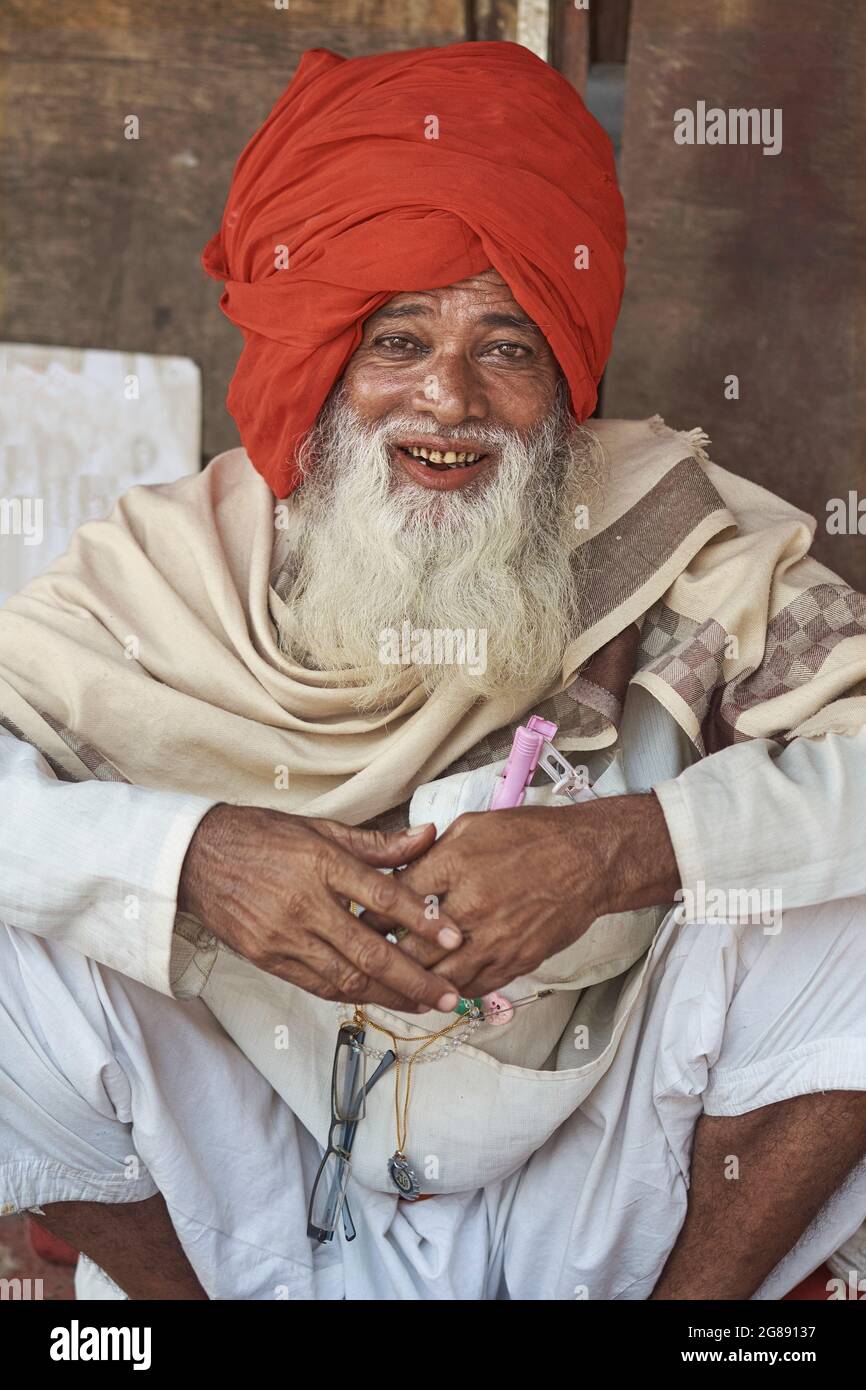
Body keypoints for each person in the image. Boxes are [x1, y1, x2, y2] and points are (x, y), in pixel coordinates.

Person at [1, 41, 865, 1301]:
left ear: (561, 379)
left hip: (601, 1176)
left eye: (505, 348)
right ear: (316, 364)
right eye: (396, 339)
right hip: (251, 1177)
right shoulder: (165, 573)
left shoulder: (668, 537)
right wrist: (193, 857)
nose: (446, 399)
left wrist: (619, 852)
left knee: (840, 899)